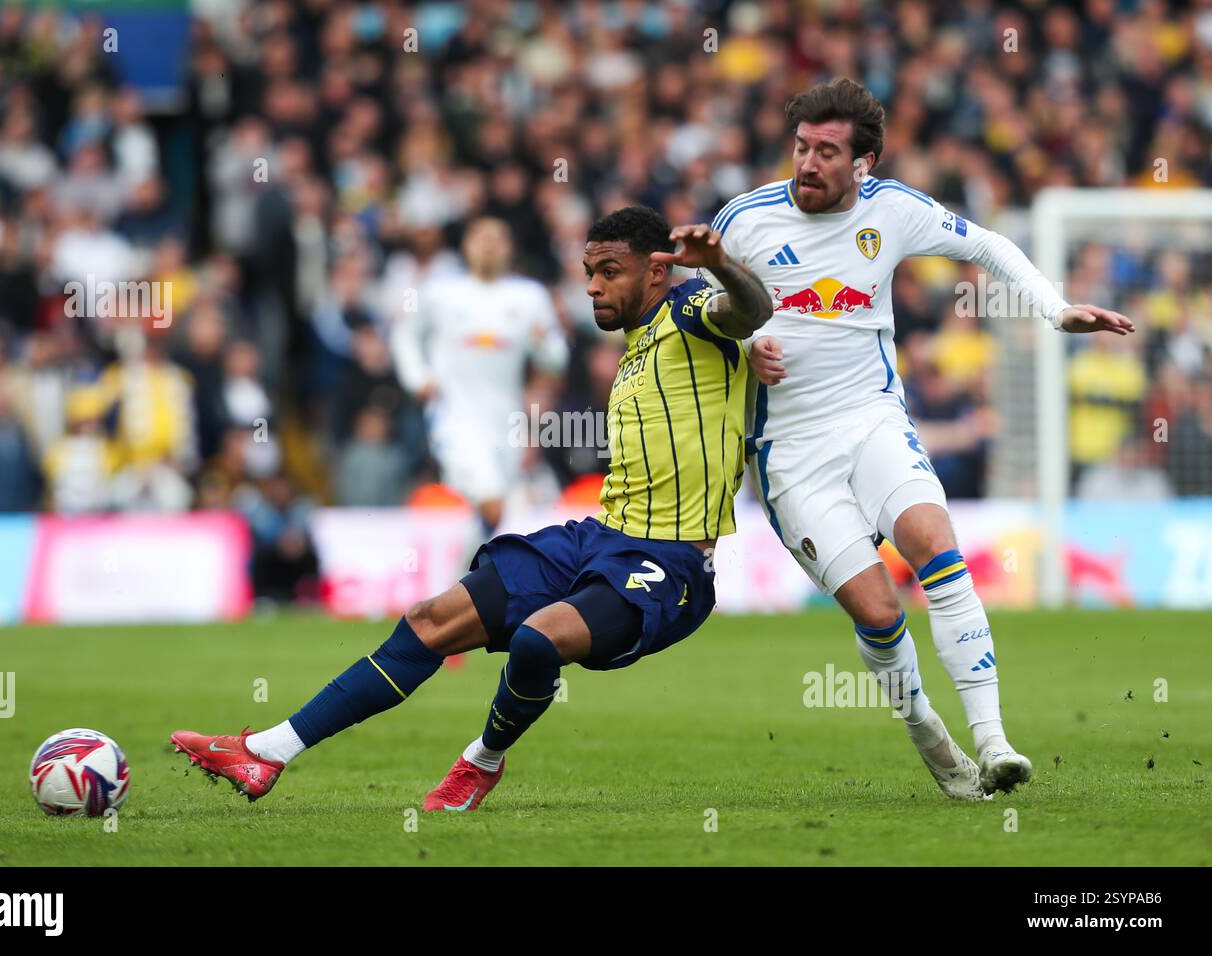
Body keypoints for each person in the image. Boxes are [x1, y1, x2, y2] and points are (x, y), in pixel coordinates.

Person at [170, 205, 773, 810]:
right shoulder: (636, 344)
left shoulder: (692, 312)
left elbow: (750, 310)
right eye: (588, 270)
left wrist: (719, 264)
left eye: (609, 270)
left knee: (538, 641)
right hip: (600, 536)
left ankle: (480, 761)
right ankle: (267, 752)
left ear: (658, 271)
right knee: (430, 620)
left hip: (671, 562)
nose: (592, 285)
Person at [715, 78, 1134, 798]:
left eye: (827, 152)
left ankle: (995, 742)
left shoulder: (894, 212)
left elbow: (991, 245)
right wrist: (741, 344)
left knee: (936, 547)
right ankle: (931, 739)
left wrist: (1055, 310)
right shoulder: (745, 220)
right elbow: (694, 311)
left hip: (873, 417)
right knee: (879, 612)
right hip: (789, 454)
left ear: (864, 163)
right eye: (801, 148)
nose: (808, 164)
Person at [391, 216, 568, 540]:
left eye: (497, 237)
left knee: (496, 515)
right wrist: (417, 377)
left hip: (507, 421)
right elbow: (404, 335)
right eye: (480, 237)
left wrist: (544, 344)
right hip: (454, 416)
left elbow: (556, 359)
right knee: (491, 501)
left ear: (509, 248)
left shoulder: (529, 296)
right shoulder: (441, 291)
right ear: (466, 246)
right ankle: (472, 584)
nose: (488, 244)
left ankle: (466, 584)